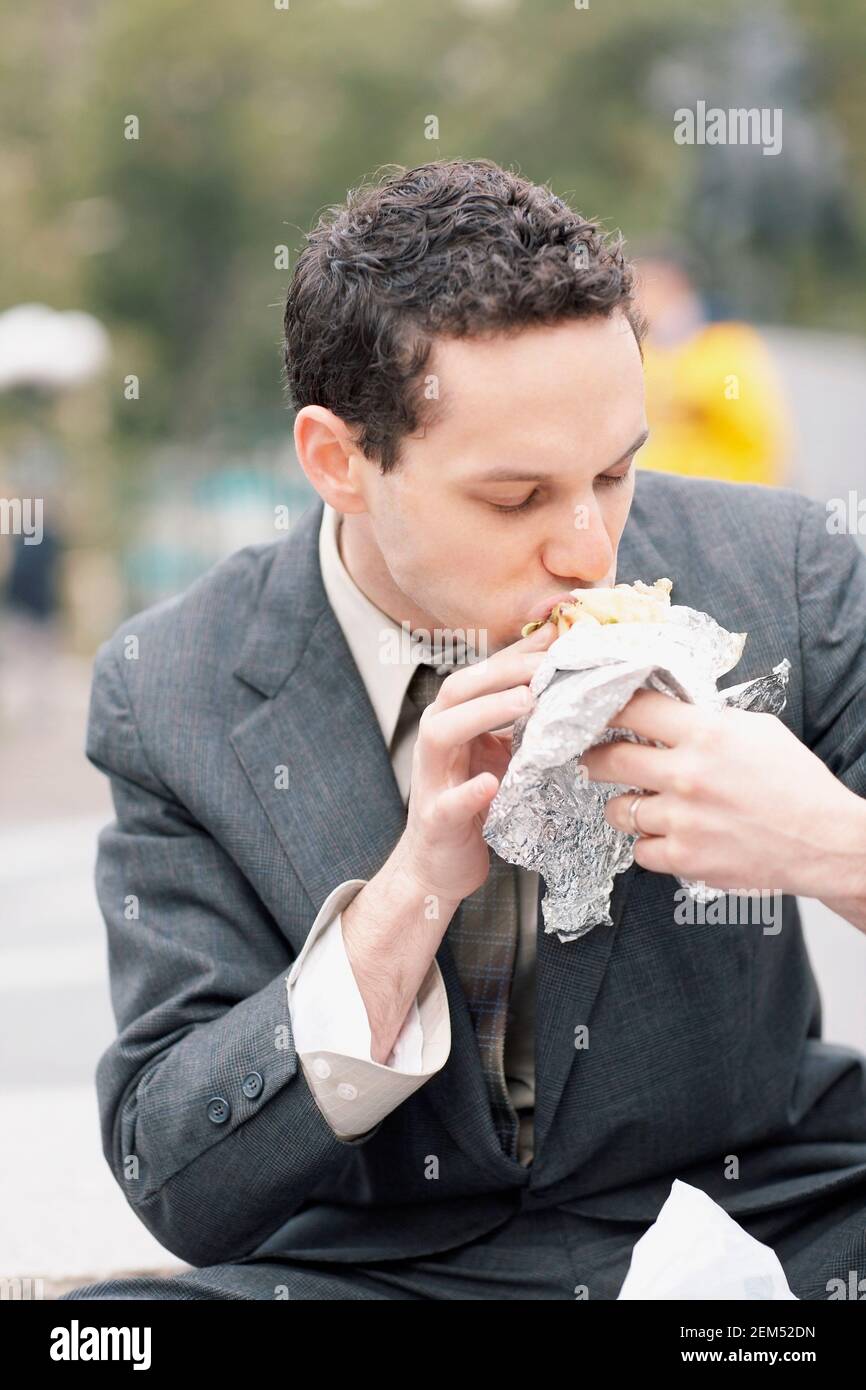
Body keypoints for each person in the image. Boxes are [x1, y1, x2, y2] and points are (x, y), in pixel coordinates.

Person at [62, 159, 866, 1302]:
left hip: (771, 1215)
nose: (589, 547)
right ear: (338, 461)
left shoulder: (776, 569)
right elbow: (183, 1179)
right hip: (391, 1271)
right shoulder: (175, 686)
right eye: (515, 498)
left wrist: (826, 840)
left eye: (613, 471)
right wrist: (409, 896)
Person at [634, 248, 792, 486]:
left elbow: (764, 438)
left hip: (719, 500)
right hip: (659, 498)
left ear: (673, 286)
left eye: (641, 288)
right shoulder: (651, 349)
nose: (633, 300)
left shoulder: (728, 346)